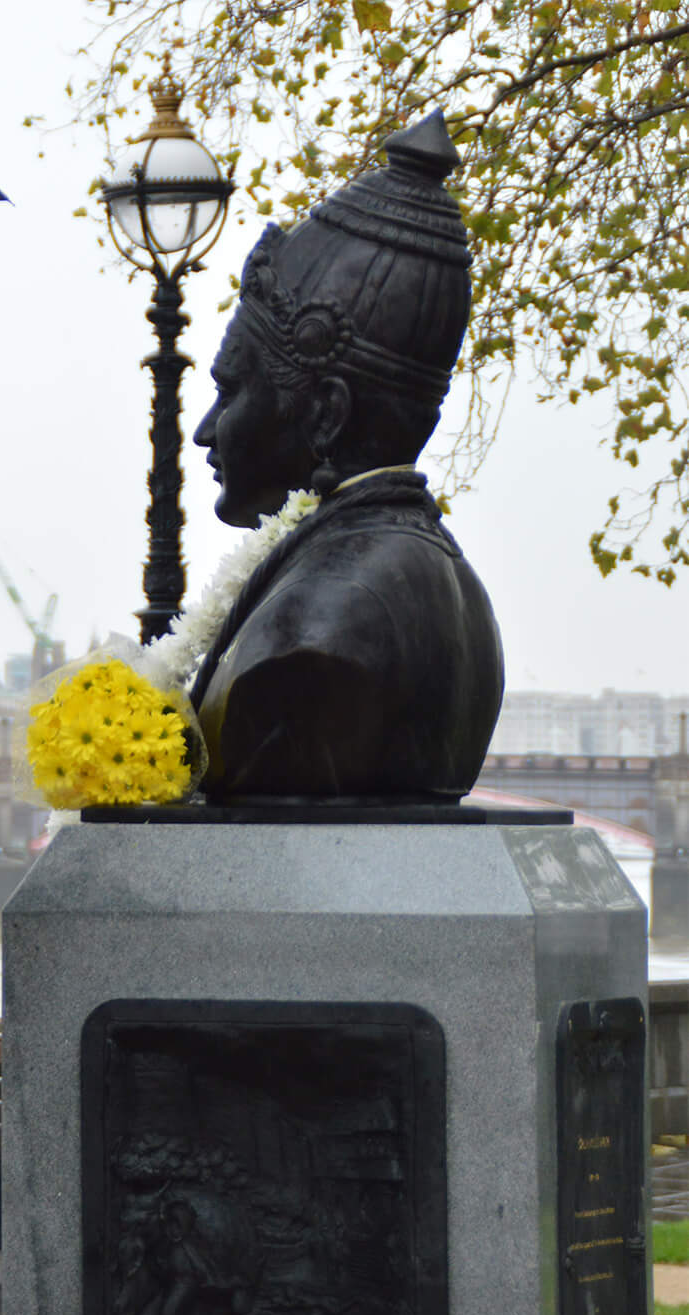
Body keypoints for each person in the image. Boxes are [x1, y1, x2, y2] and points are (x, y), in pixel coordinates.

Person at [187, 112, 503, 800]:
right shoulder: (461, 596)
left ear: (326, 414)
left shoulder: (314, 632)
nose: (206, 432)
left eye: (231, 391)